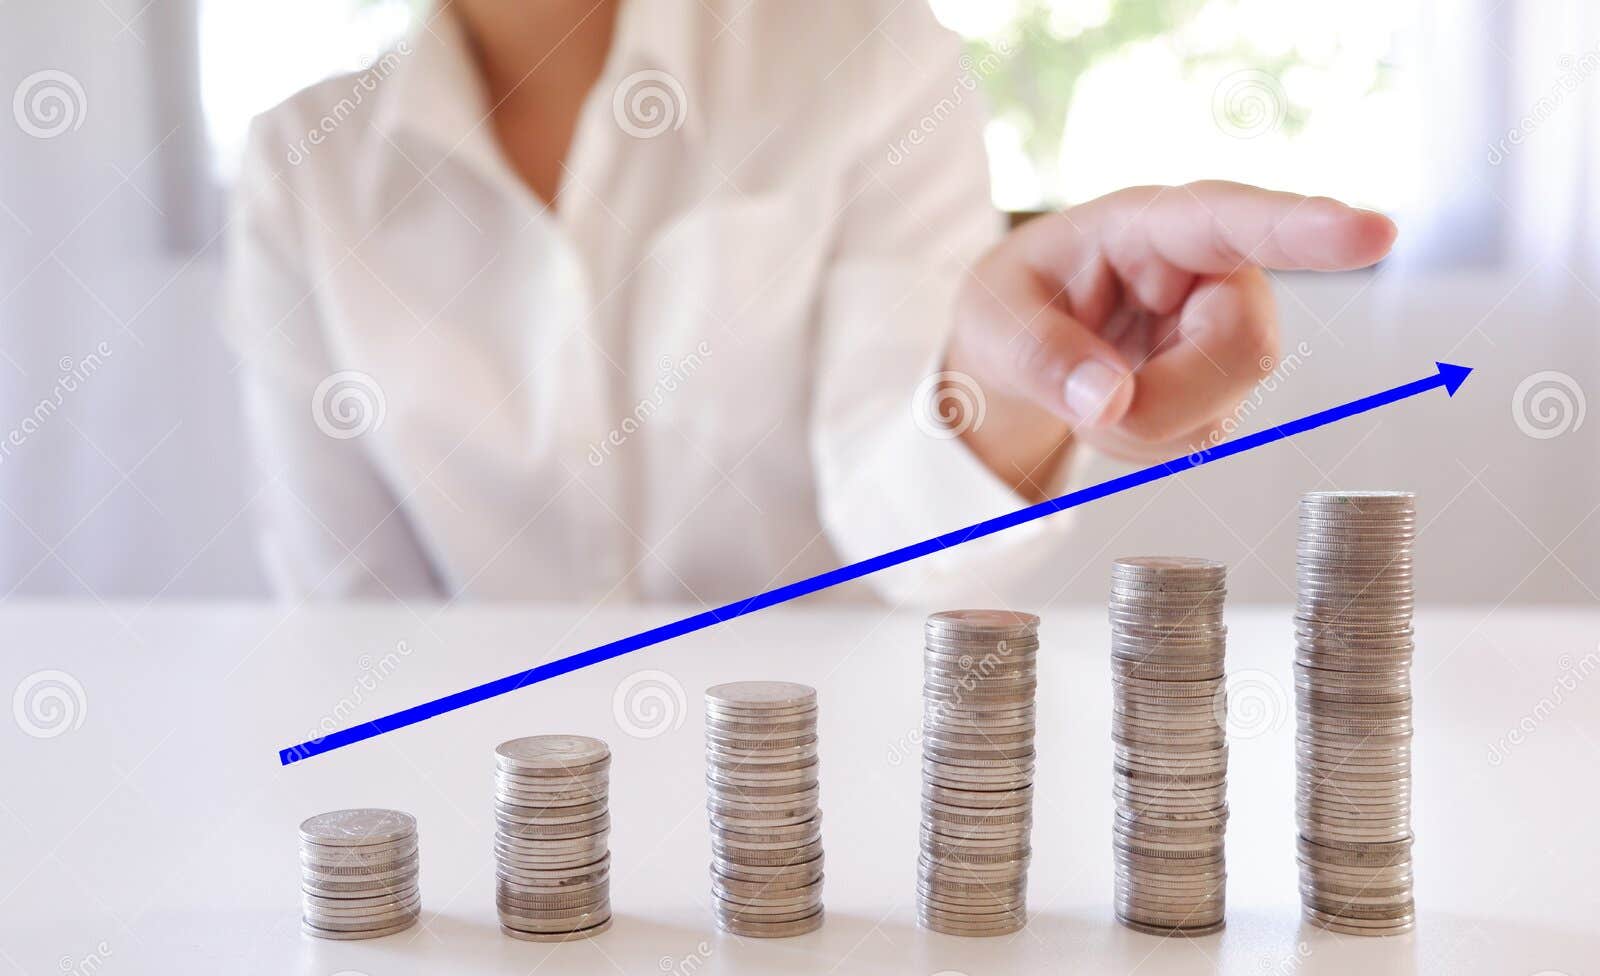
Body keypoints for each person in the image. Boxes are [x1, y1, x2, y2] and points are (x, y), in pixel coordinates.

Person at [228, 0, 1395, 605]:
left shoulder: (866, 56)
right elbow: (349, 618)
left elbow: (906, 535)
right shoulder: (300, 167)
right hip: (484, 864)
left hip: (827, 838)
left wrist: (1014, 376)